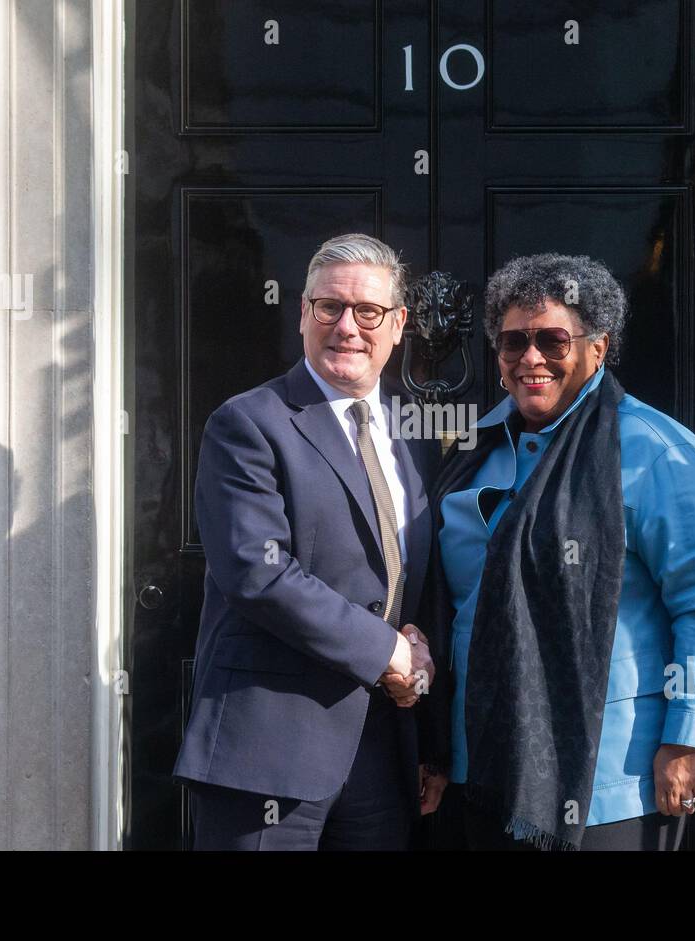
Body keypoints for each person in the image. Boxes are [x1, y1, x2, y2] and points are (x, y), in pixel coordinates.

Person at [420, 253, 695, 851]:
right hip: (482, 762)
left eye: (553, 340)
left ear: (599, 347)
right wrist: (432, 743)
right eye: (513, 341)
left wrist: (689, 735)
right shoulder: (474, 450)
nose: (531, 358)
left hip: (611, 773)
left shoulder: (655, 450)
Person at [171, 233, 446, 850]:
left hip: (382, 748)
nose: (347, 326)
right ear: (303, 315)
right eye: (329, 307)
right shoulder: (248, 422)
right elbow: (258, 574)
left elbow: (411, 579)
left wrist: (422, 691)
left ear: (397, 325)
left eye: (368, 312)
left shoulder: (413, 436)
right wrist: (387, 652)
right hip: (269, 746)